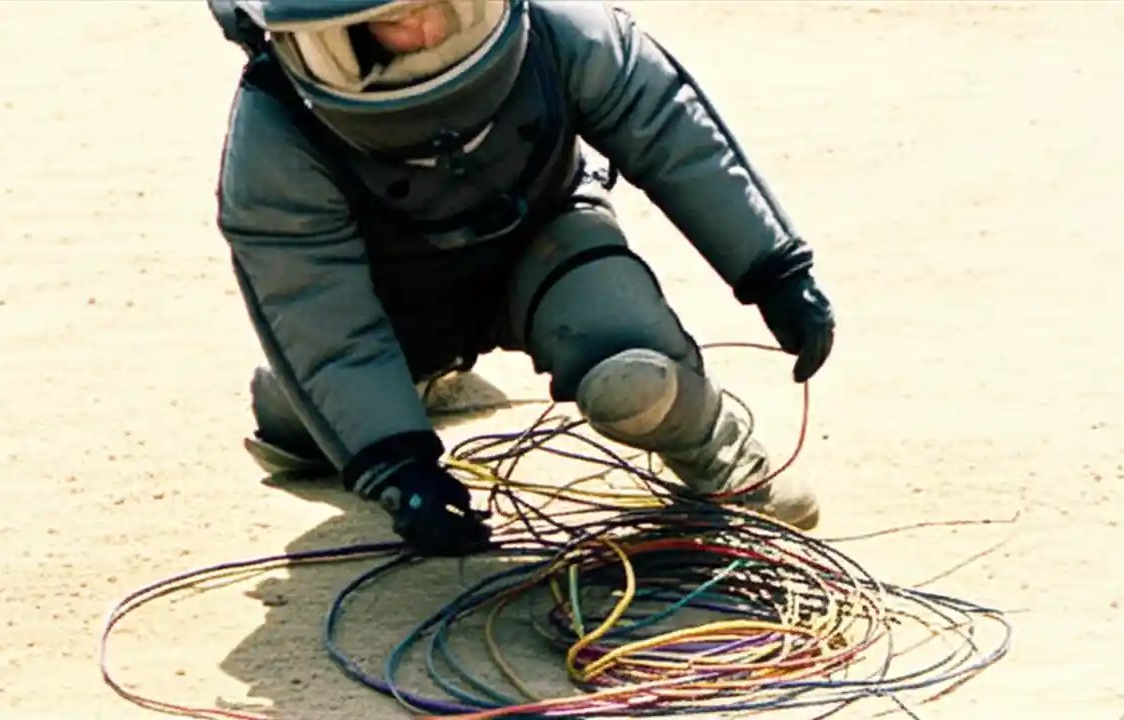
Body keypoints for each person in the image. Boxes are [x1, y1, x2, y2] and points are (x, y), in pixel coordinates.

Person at [206, 0, 836, 556]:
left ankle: (725, 459)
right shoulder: (278, 132)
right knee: (301, 420)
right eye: (393, 21)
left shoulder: (557, 29)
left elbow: (671, 133)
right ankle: (411, 390)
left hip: (550, 243)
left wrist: (774, 266)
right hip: (392, 301)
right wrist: (398, 468)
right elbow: (318, 310)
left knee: (632, 371)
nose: (427, 30)